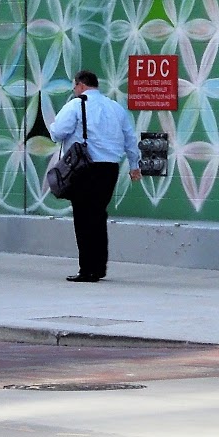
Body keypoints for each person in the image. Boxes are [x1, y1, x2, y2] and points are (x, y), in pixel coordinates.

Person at [49, 70, 142, 282]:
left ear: (80, 85)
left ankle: (87, 269)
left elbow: (58, 132)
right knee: (98, 215)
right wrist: (134, 165)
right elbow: (130, 138)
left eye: (75, 87)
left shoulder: (75, 105)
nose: (75, 90)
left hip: (84, 168)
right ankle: (99, 267)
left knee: (83, 218)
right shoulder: (116, 107)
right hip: (109, 168)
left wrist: (54, 127)